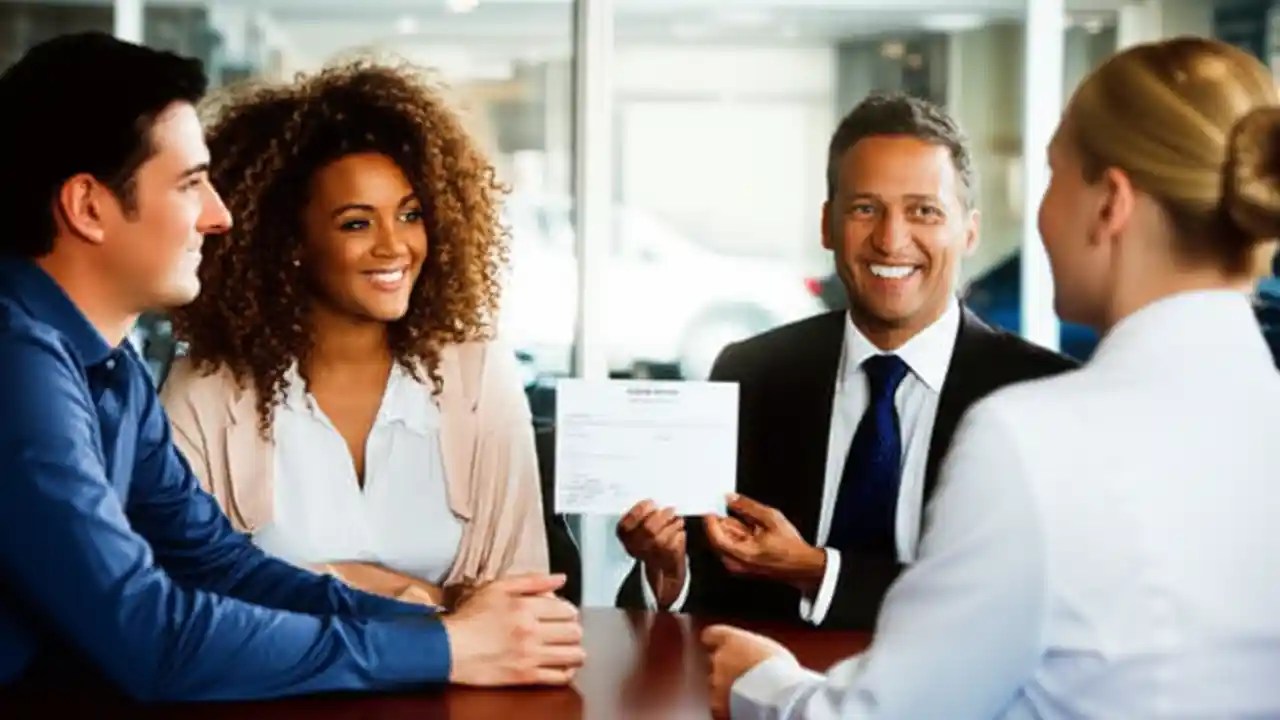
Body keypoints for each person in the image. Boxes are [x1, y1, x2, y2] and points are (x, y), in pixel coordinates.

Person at [703, 36, 1280, 719]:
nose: (1040, 217)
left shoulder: (1036, 437)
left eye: (1054, 176)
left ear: (1110, 204)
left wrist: (763, 683)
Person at [0, 32, 583, 702]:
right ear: (87, 206)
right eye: (192, 184)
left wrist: (447, 627)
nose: (219, 217)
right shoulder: (16, 365)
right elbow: (153, 634)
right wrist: (445, 645)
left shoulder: (113, 370)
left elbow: (221, 567)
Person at [616, 93, 1076, 630]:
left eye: (923, 211)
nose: (890, 239)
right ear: (828, 225)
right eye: (865, 209)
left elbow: (1022, 604)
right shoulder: (753, 372)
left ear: (968, 231)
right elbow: (703, 587)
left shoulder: (1041, 394)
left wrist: (818, 572)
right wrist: (668, 572)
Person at [158, 59, 548, 610]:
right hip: (269, 695)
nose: (395, 247)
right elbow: (185, 601)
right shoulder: (206, 390)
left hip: (462, 693)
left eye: (410, 216)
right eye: (357, 223)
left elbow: (520, 598)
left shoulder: (477, 373)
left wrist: (317, 583)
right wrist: (397, 592)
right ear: (291, 243)